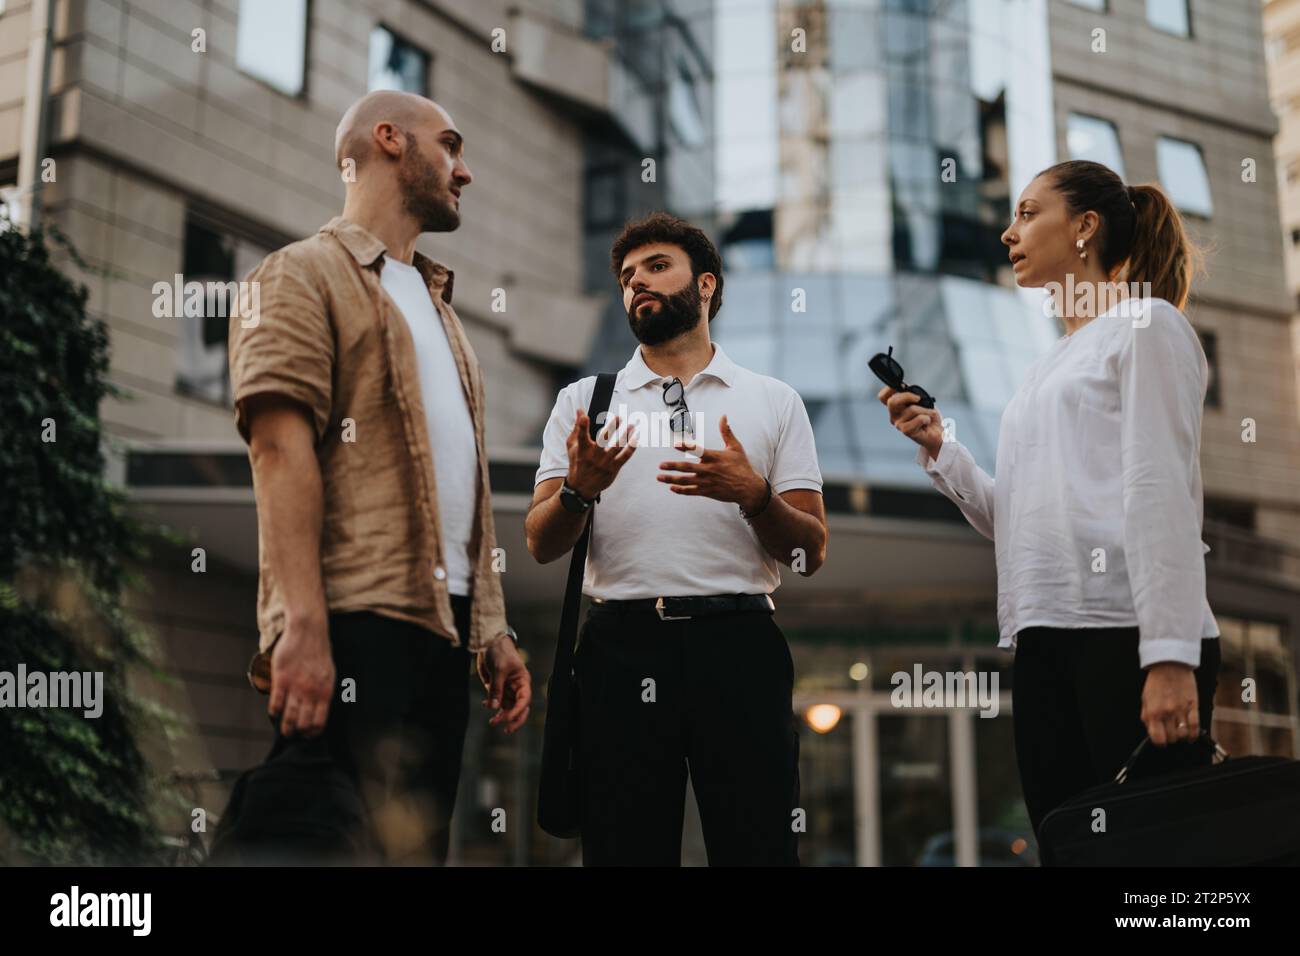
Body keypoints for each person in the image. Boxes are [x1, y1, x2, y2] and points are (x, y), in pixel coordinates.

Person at [220, 91, 530, 864]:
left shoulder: (441, 310)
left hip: (441, 631)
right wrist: (303, 624)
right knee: (328, 840)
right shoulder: (295, 275)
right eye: (450, 146)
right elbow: (278, 451)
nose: (467, 171)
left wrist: (489, 628)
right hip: (354, 618)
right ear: (389, 141)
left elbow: (461, 484)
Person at [880, 160, 1220, 836]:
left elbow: (1159, 491)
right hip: (1044, 635)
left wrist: (1171, 654)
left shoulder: (1146, 326)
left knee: (1150, 871)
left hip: (1124, 634)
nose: (1009, 233)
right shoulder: (1047, 365)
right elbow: (1021, 522)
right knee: (1070, 850)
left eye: (1029, 213)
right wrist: (943, 449)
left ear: (1087, 226)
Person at [526, 213, 828, 865]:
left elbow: (810, 552)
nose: (638, 283)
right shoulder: (587, 402)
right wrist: (579, 489)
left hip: (740, 645)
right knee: (624, 852)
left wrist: (755, 495)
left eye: (657, 267)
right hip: (620, 648)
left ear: (708, 284)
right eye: (627, 277)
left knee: (760, 847)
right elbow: (540, 543)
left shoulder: (773, 401)